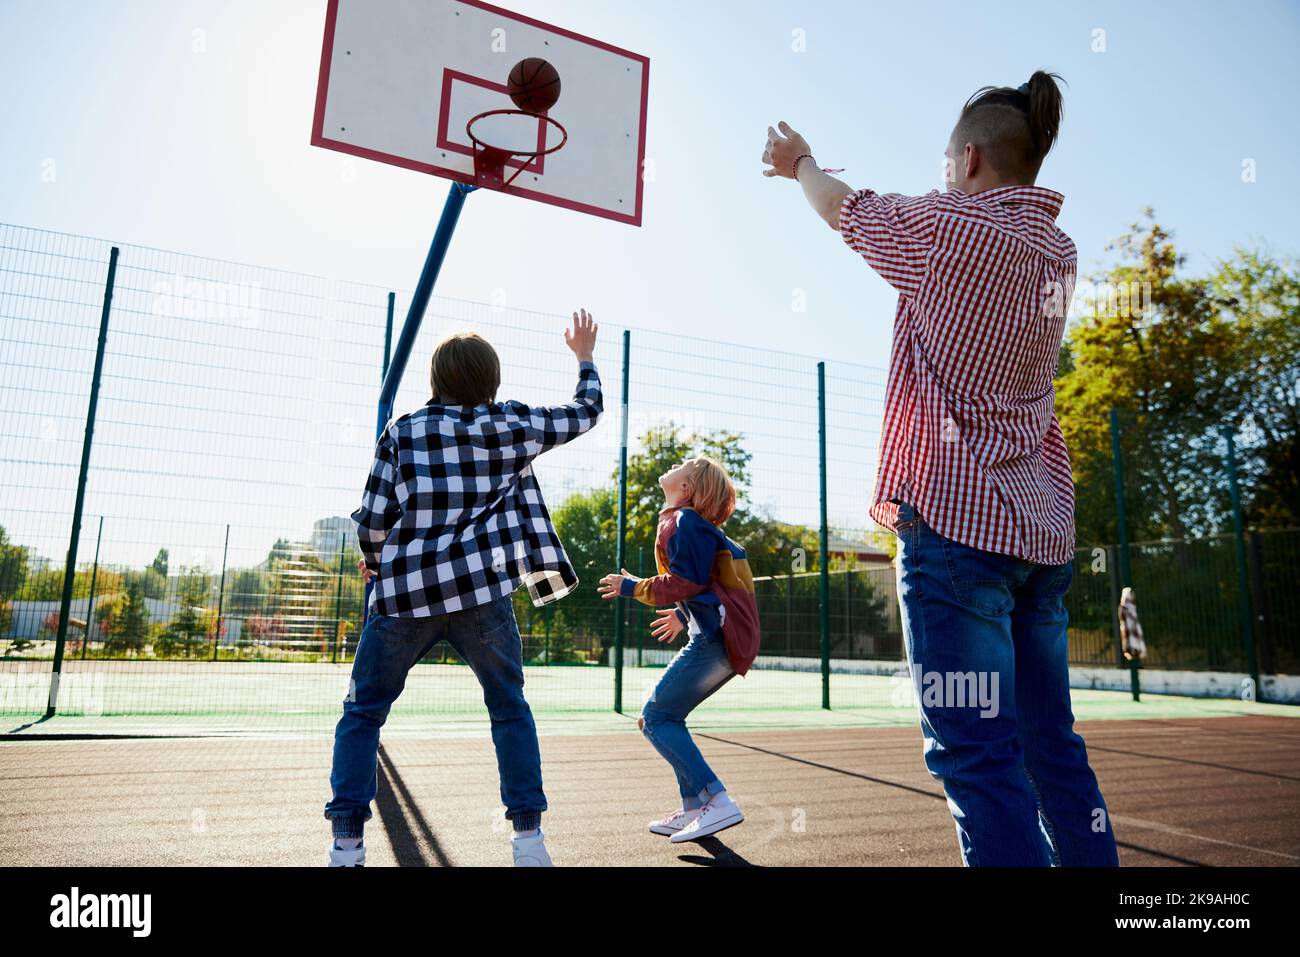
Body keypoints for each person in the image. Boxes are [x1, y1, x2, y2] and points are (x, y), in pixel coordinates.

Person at [762, 72, 1119, 866]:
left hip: (957, 526)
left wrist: (801, 160)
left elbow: (839, 208)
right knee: (1050, 747)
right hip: (1041, 528)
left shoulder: (950, 226)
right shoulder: (1058, 252)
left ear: (968, 158)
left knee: (978, 755)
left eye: (946, 160)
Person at [324, 311, 603, 867]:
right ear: (491, 379)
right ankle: (528, 841)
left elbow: (374, 519)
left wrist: (378, 562)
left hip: (407, 597)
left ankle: (347, 846)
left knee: (362, 714)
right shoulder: (512, 425)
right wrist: (584, 356)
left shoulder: (403, 430)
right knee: (508, 709)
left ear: (435, 378)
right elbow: (586, 412)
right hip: (481, 594)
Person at [598, 455, 760, 844]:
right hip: (716, 635)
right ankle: (692, 807)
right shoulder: (689, 524)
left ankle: (716, 799)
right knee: (664, 718)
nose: (679, 462)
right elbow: (705, 583)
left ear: (687, 488)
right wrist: (684, 615)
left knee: (655, 717)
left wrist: (633, 586)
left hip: (716, 640)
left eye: (687, 464)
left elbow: (687, 580)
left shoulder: (685, 521)